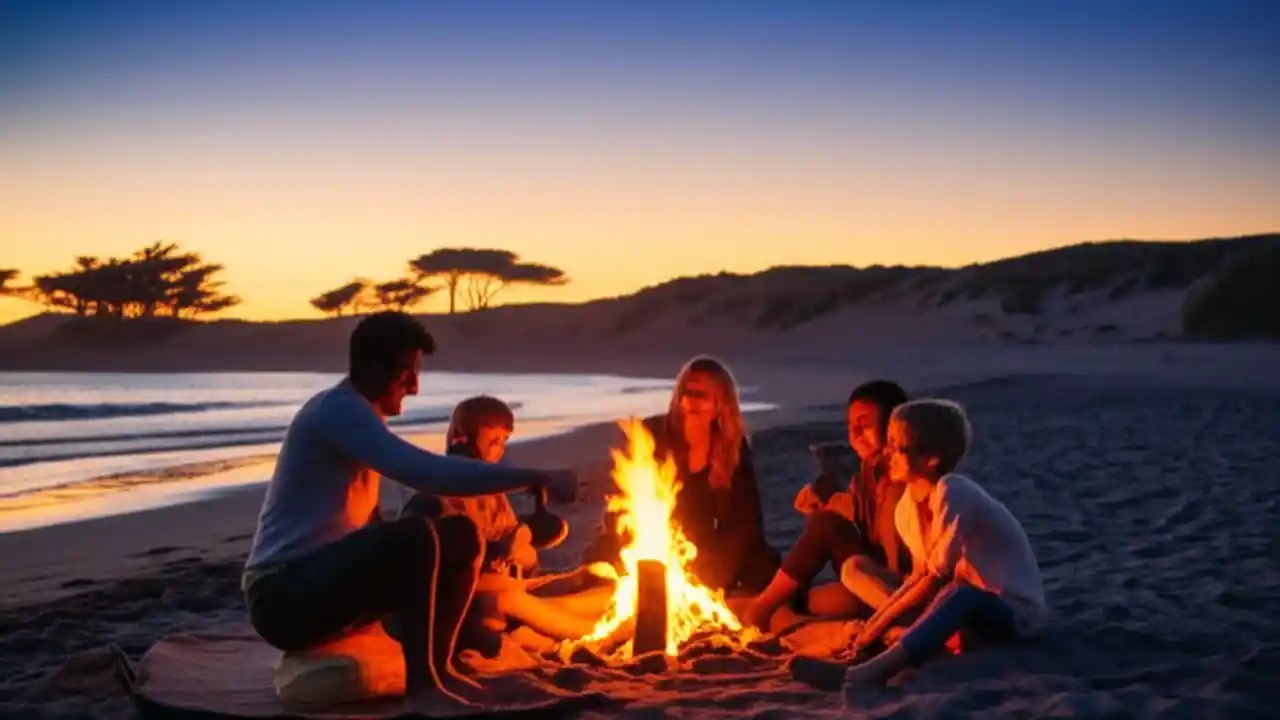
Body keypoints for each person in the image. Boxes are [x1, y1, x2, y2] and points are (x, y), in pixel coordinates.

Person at [241, 312, 576, 708]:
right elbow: (426, 472)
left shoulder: (363, 418)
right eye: (405, 374)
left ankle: (440, 669)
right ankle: (423, 686)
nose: (414, 387)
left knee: (459, 535)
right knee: (416, 533)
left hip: (326, 586)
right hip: (282, 596)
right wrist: (534, 476)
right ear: (370, 368)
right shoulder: (338, 412)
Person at [790, 399, 1047, 699]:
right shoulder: (907, 508)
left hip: (1014, 614)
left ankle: (863, 675)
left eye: (899, 447)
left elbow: (937, 574)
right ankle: (862, 656)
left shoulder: (954, 490)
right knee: (926, 599)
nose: (889, 455)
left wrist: (876, 627)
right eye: (889, 444)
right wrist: (870, 630)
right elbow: (916, 578)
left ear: (931, 459)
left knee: (957, 594)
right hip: (968, 619)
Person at [400, 395, 613, 645]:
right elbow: (441, 571)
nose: (499, 450)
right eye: (493, 442)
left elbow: (521, 553)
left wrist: (526, 540)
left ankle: (554, 624)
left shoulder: (493, 489)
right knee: (502, 605)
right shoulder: (440, 489)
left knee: (601, 577)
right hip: (477, 598)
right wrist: (502, 550)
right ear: (459, 435)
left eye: (503, 442)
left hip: (513, 587)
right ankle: (592, 634)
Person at [585, 356, 780, 595]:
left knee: (762, 566)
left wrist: (715, 569)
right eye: (688, 392)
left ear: (721, 404)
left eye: (702, 395)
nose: (692, 400)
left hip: (707, 546)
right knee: (600, 564)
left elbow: (746, 522)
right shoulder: (652, 434)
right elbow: (623, 500)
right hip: (655, 541)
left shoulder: (731, 448)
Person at [743, 380, 911, 631]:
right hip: (866, 579)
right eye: (851, 426)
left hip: (895, 590)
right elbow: (842, 510)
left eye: (864, 424)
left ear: (892, 426)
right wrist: (824, 495)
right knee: (807, 597)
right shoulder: (868, 474)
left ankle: (761, 609)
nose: (855, 434)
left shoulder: (901, 481)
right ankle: (772, 606)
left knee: (826, 529)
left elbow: (900, 561)